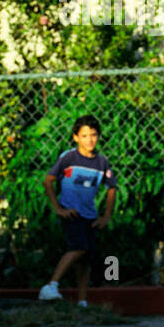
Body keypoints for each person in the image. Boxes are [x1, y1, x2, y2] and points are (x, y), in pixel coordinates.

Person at [40, 115, 117, 308]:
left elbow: (112, 188)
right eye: (84, 135)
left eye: (93, 135)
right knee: (78, 247)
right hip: (71, 213)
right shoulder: (69, 158)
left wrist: (106, 216)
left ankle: (82, 301)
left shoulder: (102, 162)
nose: (89, 139)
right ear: (76, 137)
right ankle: (51, 286)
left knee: (86, 259)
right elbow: (49, 180)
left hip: (89, 216)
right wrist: (58, 208)